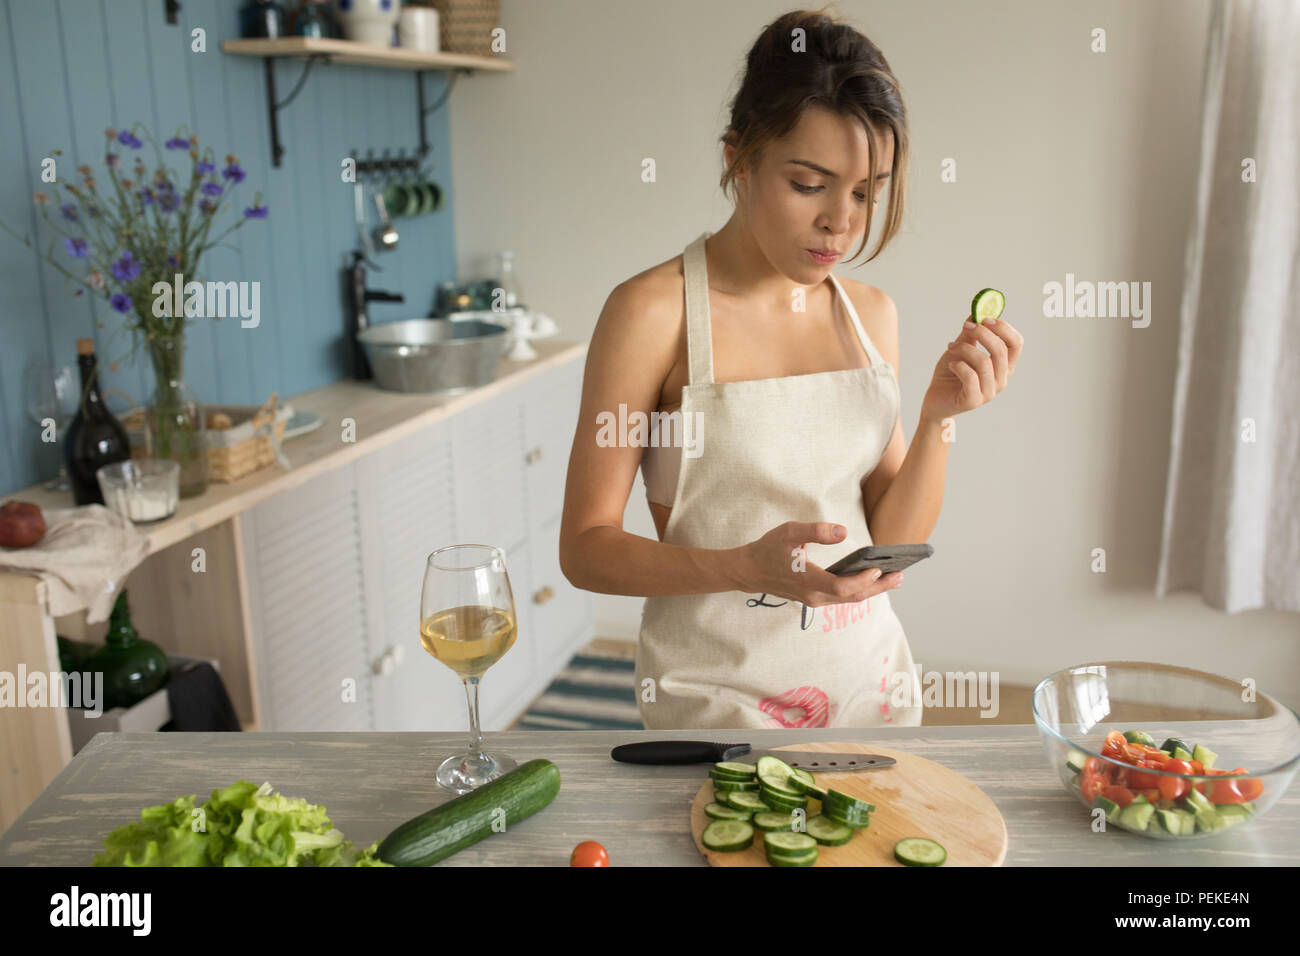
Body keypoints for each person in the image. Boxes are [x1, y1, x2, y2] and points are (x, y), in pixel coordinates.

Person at [559, 9, 1024, 729]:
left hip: (869, 687)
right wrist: (740, 567)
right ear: (737, 159)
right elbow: (586, 550)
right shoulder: (650, 314)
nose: (842, 221)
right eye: (810, 184)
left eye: (867, 192)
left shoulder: (871, 314)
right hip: (714, 701)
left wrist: (939, 421)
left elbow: (884, 539)